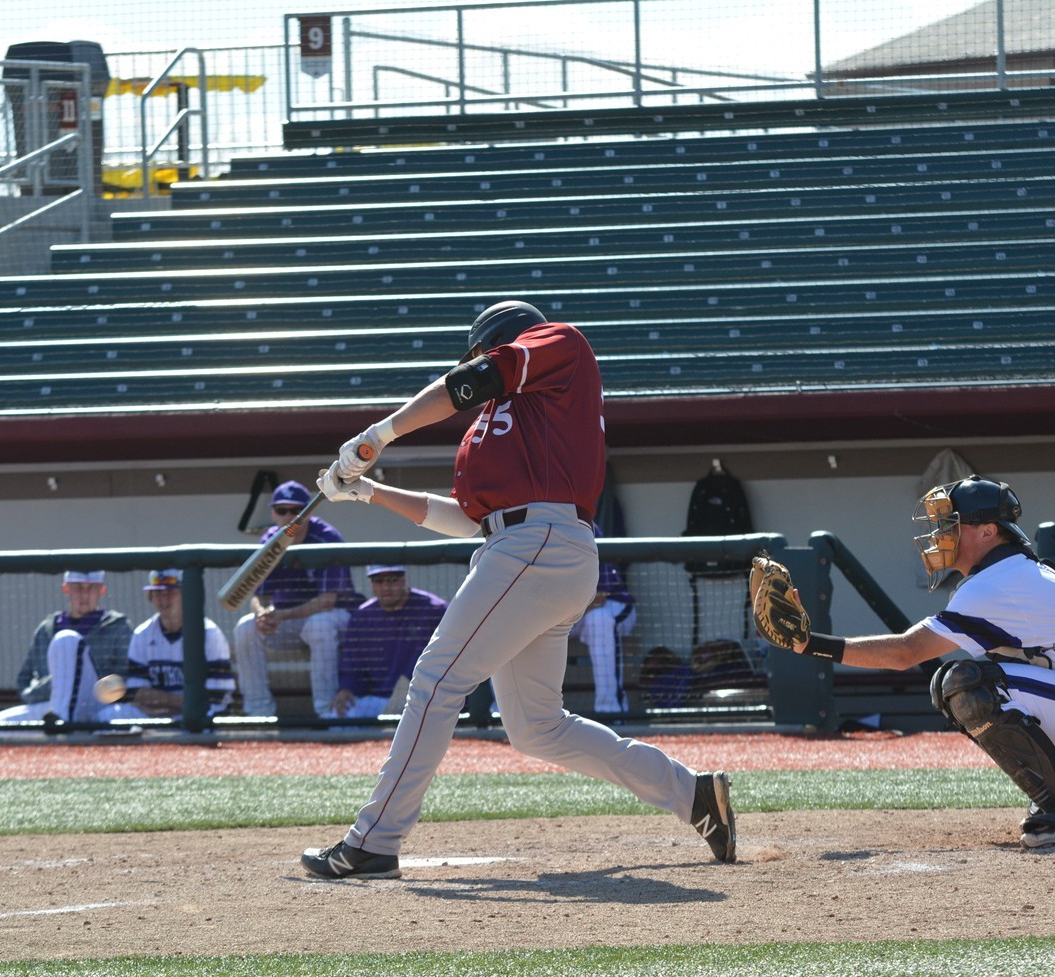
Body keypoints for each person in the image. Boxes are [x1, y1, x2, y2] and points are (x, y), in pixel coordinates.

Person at [300, 300, 737, 878]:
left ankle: (374, 840)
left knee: (436, 678)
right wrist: (368, 492)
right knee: (537, 726)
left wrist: (377, 434)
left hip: (540, 544)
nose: (479, 362)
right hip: (532, 550)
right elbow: (469, 517)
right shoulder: (506, 422)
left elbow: (474, 380)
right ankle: (694, 795)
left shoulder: (559, 344)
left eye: (484, 352)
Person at [758, 476, 1055, 847]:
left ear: (987, 532)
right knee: (954, 685)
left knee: (969, 685)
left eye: (952, 524)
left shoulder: (996, 582)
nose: (941, 535)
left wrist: (809, 645)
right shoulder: (1007, 572)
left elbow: (905, 653)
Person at [233, 480, 362, 718]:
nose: (290, 516)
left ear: (308, 512)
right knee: (246, 628)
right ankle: (258, 713)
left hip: (338, 620)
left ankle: (327, 713)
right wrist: (262, 613)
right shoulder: (269, 541)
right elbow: (258, 596)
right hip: (291, 620)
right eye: (283, 510)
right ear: (274, 513)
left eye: (296, 510)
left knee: (319, 626)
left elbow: (327, 601)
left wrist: (281, 615)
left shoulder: (326, 538)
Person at [0, 571, 134, 727]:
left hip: (96, 708)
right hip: (50, 707)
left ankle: (62, 724)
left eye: (91, 588)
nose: (84, 594)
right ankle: (61, 720)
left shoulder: (118, 627)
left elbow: (126, 677)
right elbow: (24, 683)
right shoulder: (46, 629)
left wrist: (84, 682)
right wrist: (60, 682)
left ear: (101, 590)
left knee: (66, 640)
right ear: (66, 589)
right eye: (78, 587)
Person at [113, 569, 235, 721]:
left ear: (186, 594)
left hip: (204, 715)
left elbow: (216, 695)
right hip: (156, 714)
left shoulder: (210, 633)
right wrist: (178, 703)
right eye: (158, 593)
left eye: (170, 592)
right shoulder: (142, 634)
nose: (163, 599)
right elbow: (137, 693)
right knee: (110, 715)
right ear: (150, 597)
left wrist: (164, 702)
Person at [330, 565, 447, 720]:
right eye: (378, 581)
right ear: (371, 584)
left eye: (392, 580)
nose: (386, 587)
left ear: (404, 579)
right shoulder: (361, 617)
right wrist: (346, 689)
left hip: (421, 700)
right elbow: (353, 667)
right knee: (337, 715)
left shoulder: (435, 610)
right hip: (375, 701)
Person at [570, 525, 638, 716]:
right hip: (564, 613)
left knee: (598, 620)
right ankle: (505, 714)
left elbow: (601, 595)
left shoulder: (582, 524)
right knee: (514, 620)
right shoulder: (528, 529)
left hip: (609, 604)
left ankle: (611, 711)